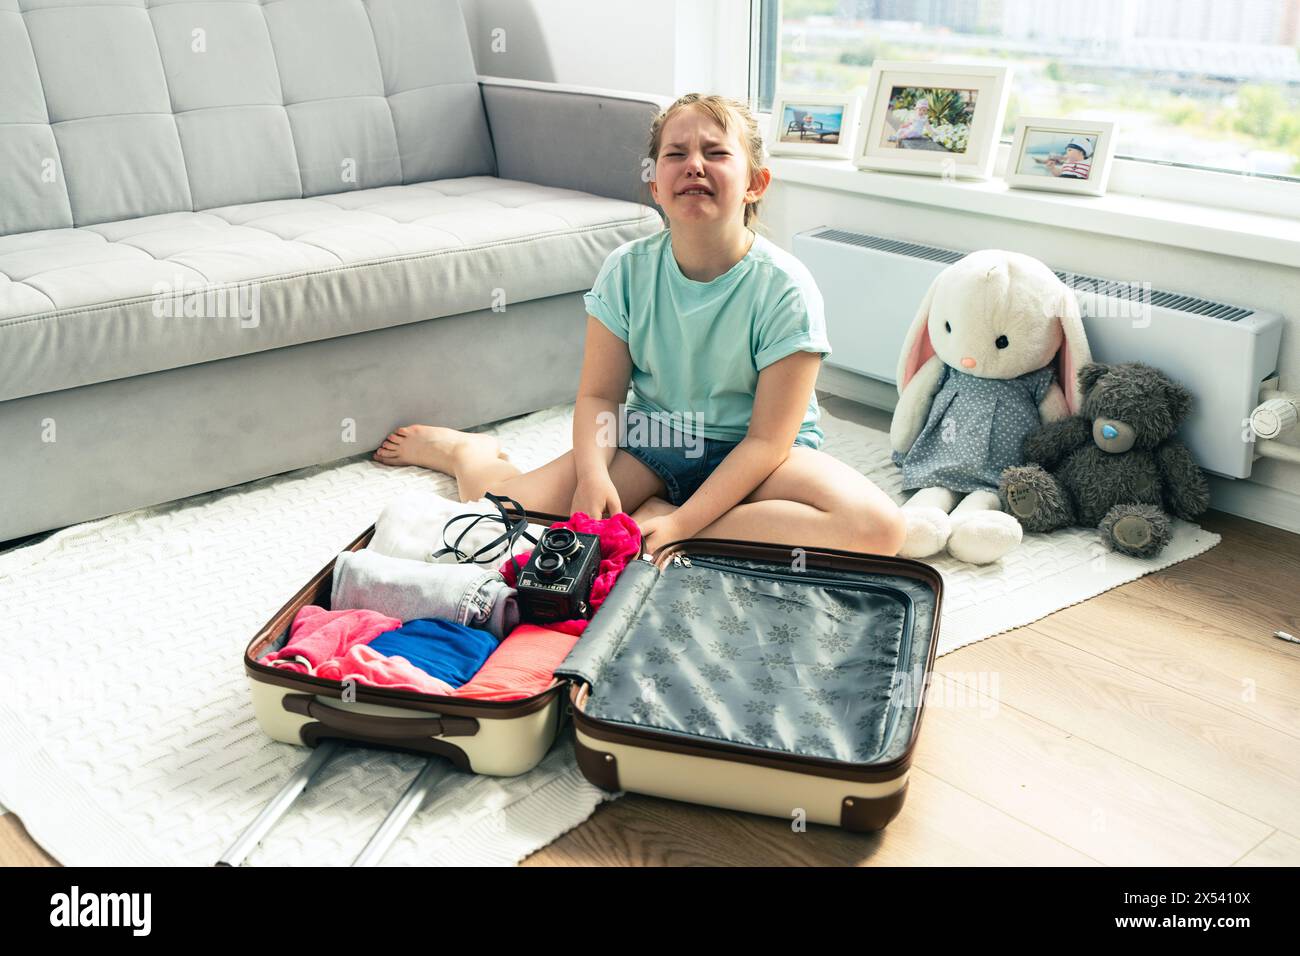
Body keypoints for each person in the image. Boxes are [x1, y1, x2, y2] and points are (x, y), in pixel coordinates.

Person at [373, 93, 906, 566]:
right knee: (499, 517)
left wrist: (679, 525)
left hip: (762, 454)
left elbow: (768, 441)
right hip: (656, 435)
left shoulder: (786, 288)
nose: (694, 165)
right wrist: (593, 477)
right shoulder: (626, 269)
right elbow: (600, 396)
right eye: (676, 154)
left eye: (716, 153)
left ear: (755, 183)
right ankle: (470, 455)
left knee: (879, 529)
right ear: (655, 183)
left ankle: (666, 519)